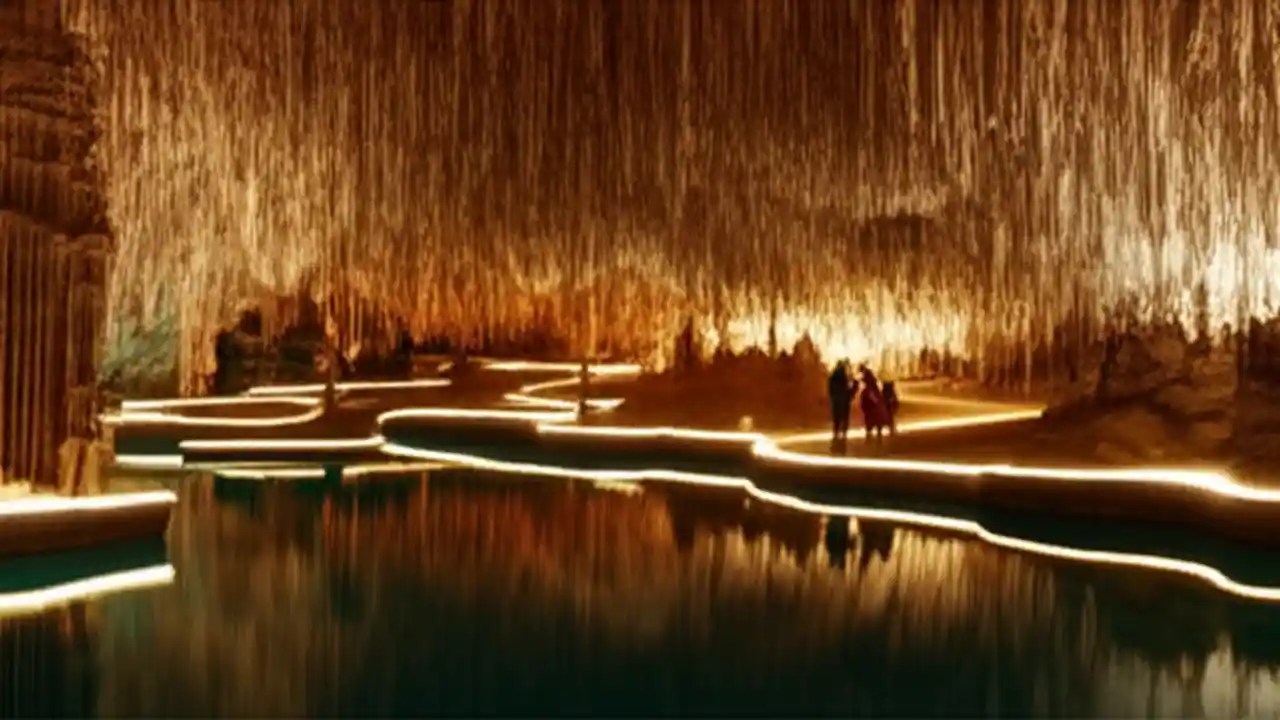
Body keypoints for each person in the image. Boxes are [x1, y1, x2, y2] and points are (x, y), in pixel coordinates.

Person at [857, 363, 889, 440]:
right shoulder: (869, 375)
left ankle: (872, 429)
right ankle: (876, 429)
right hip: (873, 396)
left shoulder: (867, 379)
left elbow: (868, 383)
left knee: (872, 415)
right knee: (875, 414)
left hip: (871, 398)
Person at [827, 361, 853, 449]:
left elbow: (830, 389)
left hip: (836, 401)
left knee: (836, 419)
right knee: (844, 418)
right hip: (844, 401)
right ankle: (843, 435)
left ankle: (836, 434)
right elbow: (849, 389)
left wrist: (833, 397)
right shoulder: (845, 377)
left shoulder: (833, 377)